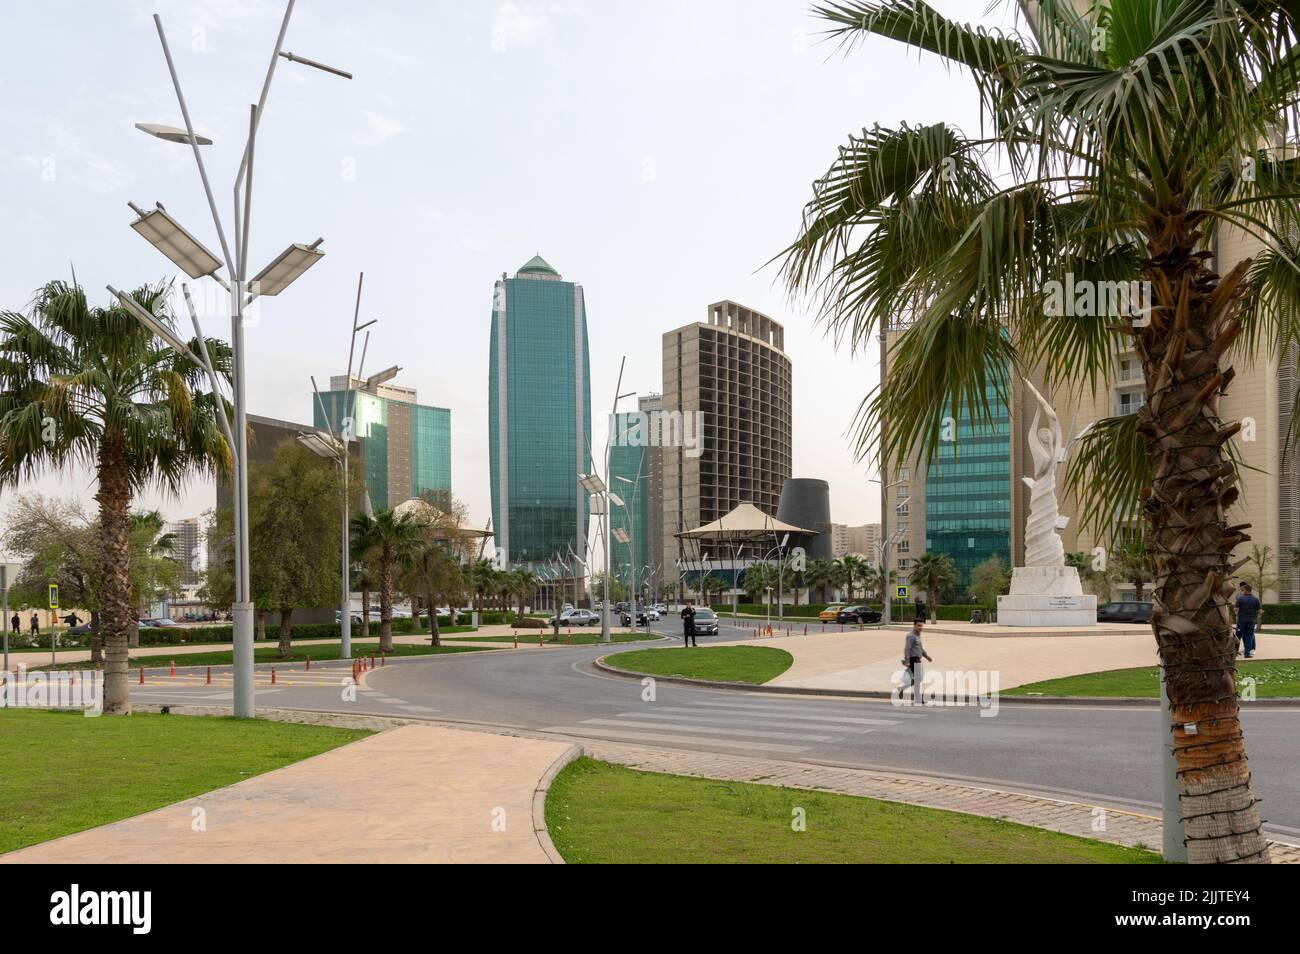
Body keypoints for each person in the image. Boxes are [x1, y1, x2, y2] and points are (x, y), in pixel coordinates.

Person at [902, 618, 933, 704]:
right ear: (914, 625)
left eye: (921, 625)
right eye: (918, 625)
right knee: (917, 680)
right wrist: (907, 660)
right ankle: (918, 698)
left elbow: (920, 648)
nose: (920, 627)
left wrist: (926, 656)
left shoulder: (917, 635)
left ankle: (901, 690)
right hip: (913, 659)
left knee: (917, 680)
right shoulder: (911, 636)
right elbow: (907, 649)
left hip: (917, 659)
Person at [1234, 582, 1262, 658]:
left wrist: (1237, 611)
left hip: (1241, 621)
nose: (1242, 592)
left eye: (1242, 590)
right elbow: (1259, 611)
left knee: (1238, 636)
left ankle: (1234, 652)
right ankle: (1247, 654)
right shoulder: (1256, 599)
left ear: (1245, 590)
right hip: (1251, 621)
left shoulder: (1240, 599)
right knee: (1249, 637)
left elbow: (1236, 609)